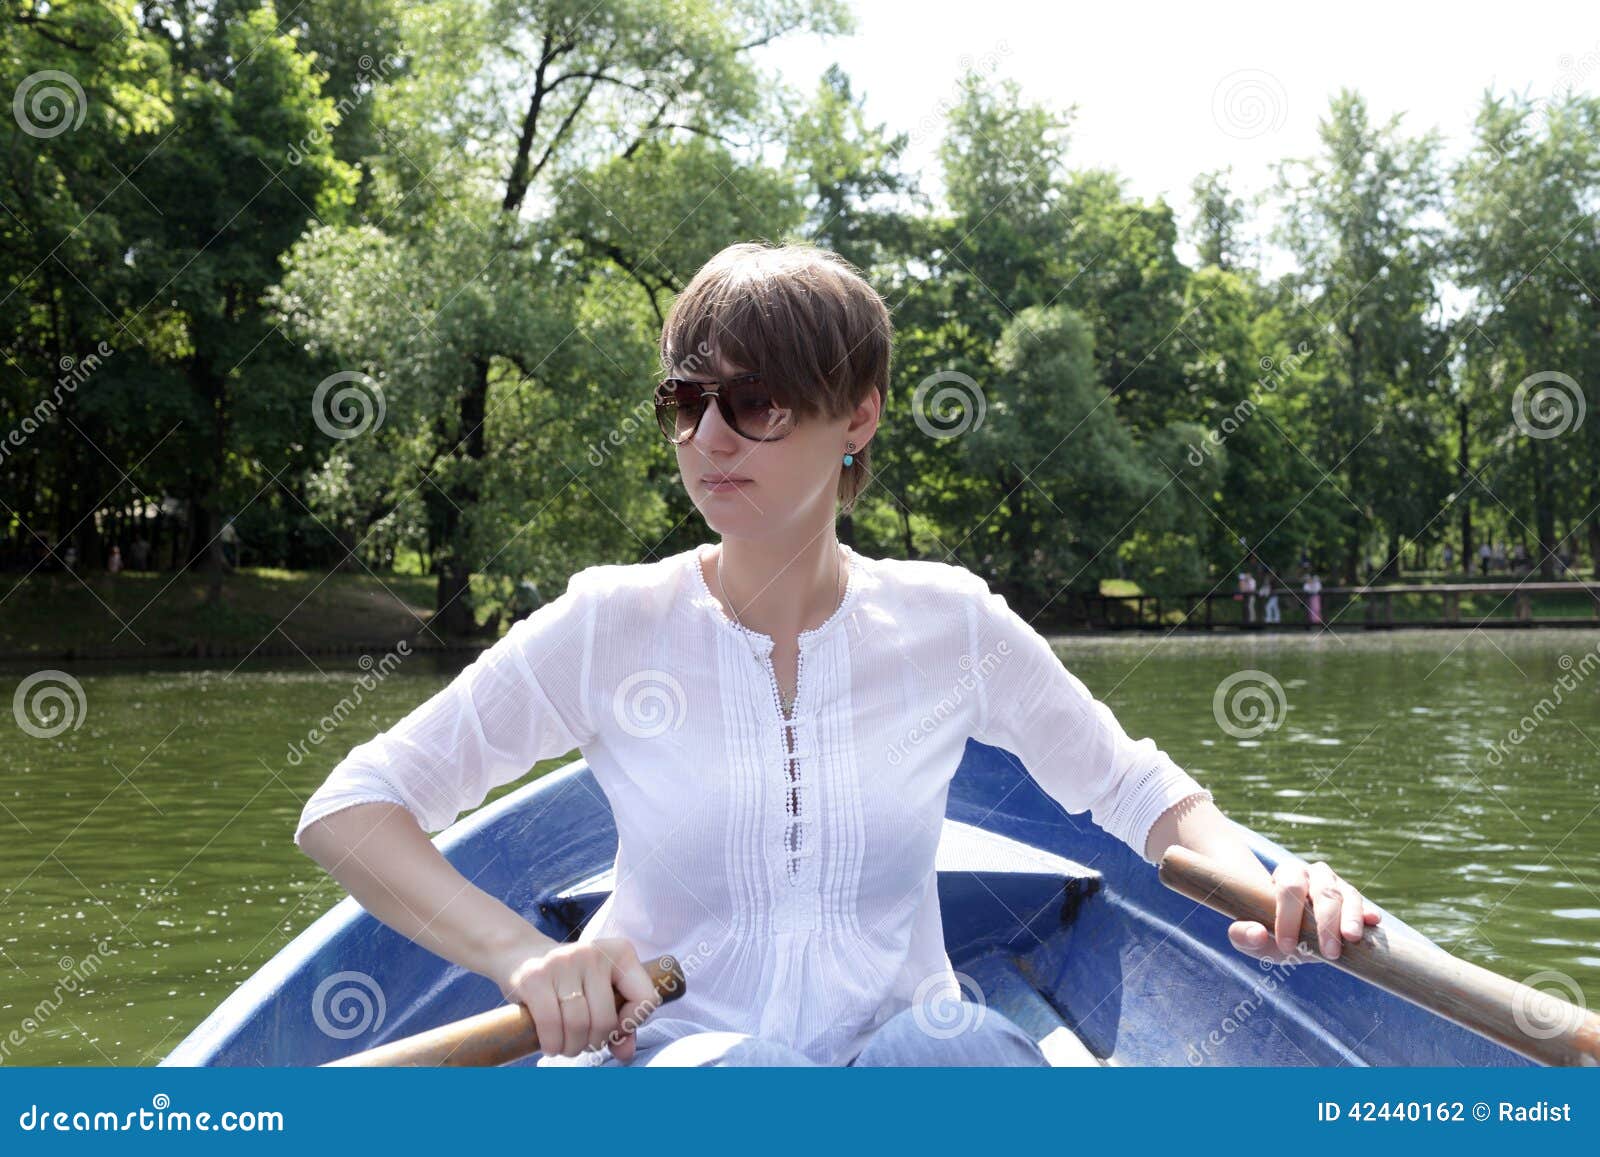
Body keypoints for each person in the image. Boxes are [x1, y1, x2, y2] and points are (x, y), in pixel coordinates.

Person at [292, 241, 1378, 1069]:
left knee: (952, 1053)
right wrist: (524, 957)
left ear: (856, 415)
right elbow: (351, 807)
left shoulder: (949, 621)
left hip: (898, 1050)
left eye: (752, 402)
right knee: (744, 1076)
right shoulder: (607, 623)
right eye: (685, 400)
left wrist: (1278, 882)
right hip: (674, 1060)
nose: (708, 437)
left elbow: (1142, 793)